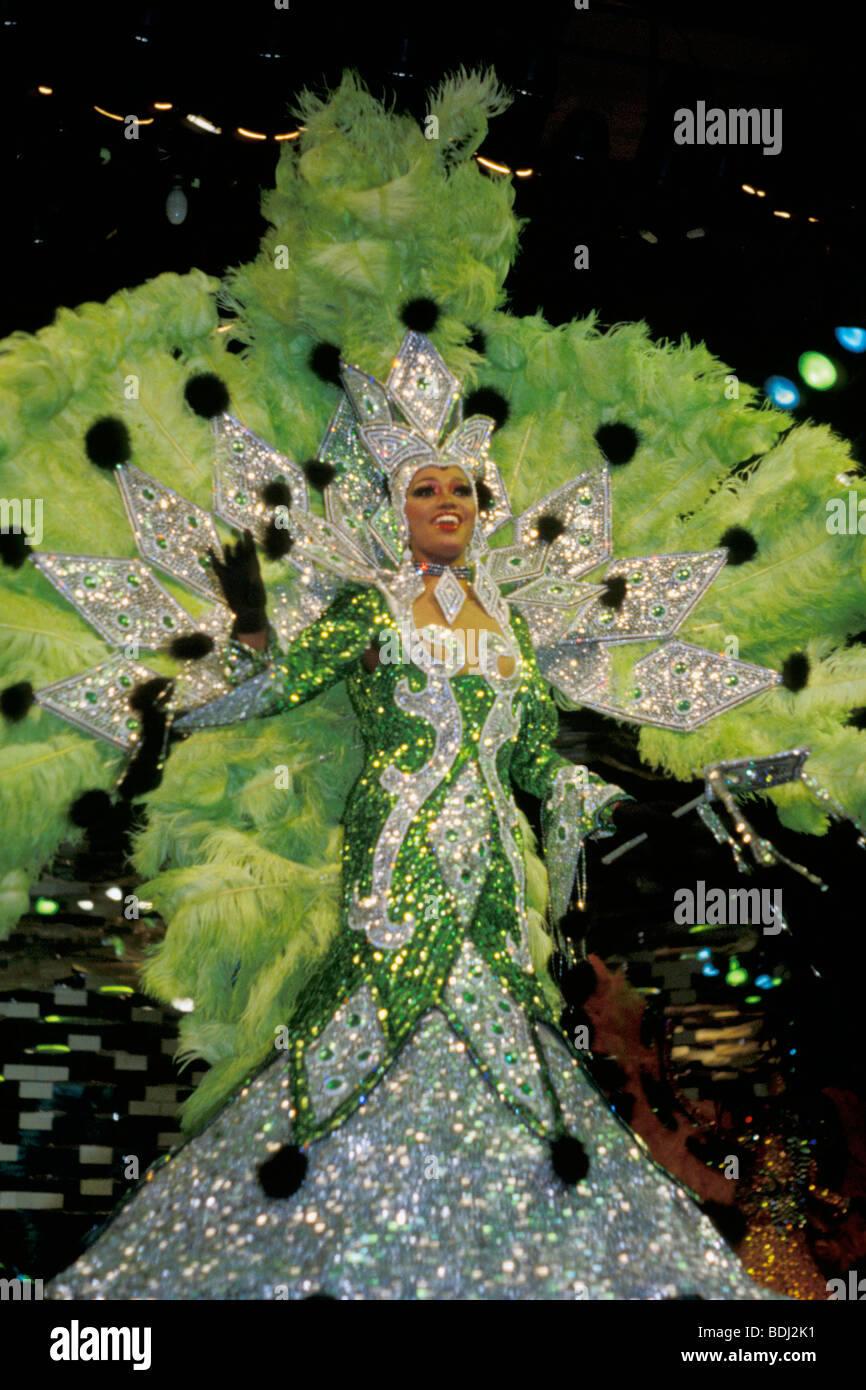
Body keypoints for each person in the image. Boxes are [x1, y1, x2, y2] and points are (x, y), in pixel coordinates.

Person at [48, 425, 785, 1301]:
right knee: (376, 1026)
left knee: (508, 1050)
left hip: (497, 879)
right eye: (426, 490)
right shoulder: (371, 608)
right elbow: (278, 685)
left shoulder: (509, 620)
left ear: (483, 509)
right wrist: (246, 627)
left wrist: (640, 806)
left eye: (462, 490)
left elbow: (535, 759)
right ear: (395, 511)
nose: (446, 504)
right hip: (397, 863)